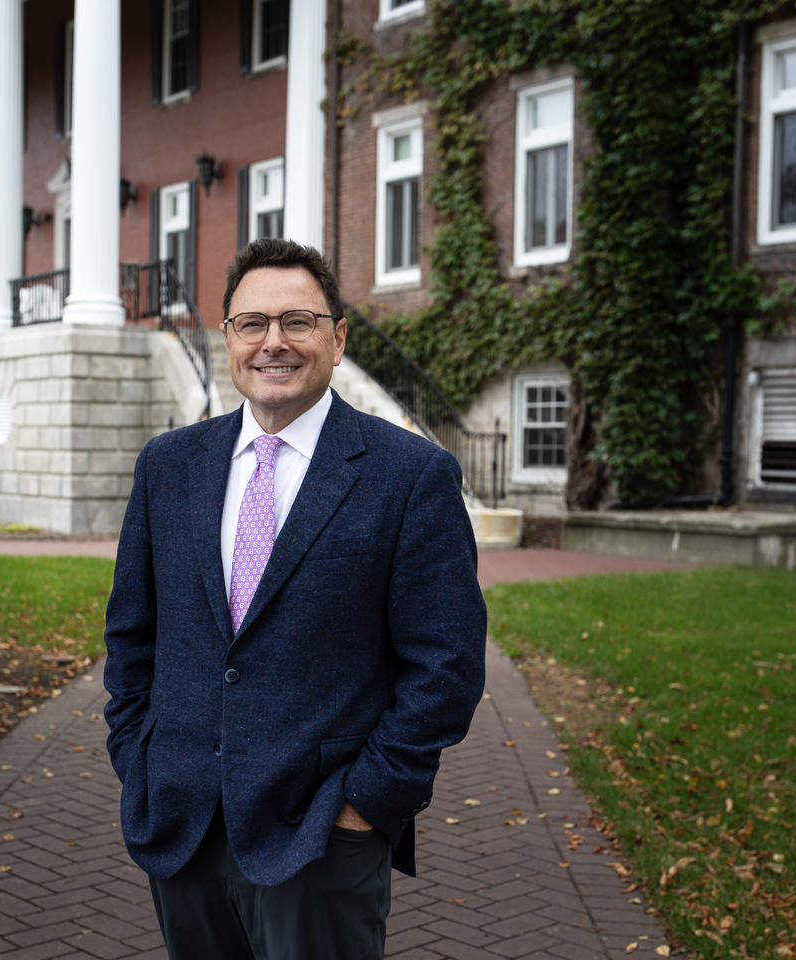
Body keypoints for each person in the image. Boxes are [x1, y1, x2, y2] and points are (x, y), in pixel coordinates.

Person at [103, 238, 487, 959]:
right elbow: (133, 634)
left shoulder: (409, 476)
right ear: (228, 340)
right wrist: (138, 759)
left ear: (337, 339)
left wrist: (367, 804)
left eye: (298, 322)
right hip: (182, 823)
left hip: (319, 836)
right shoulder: (168, 465)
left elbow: (447, 667)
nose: (273, 342)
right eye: (253, 324)